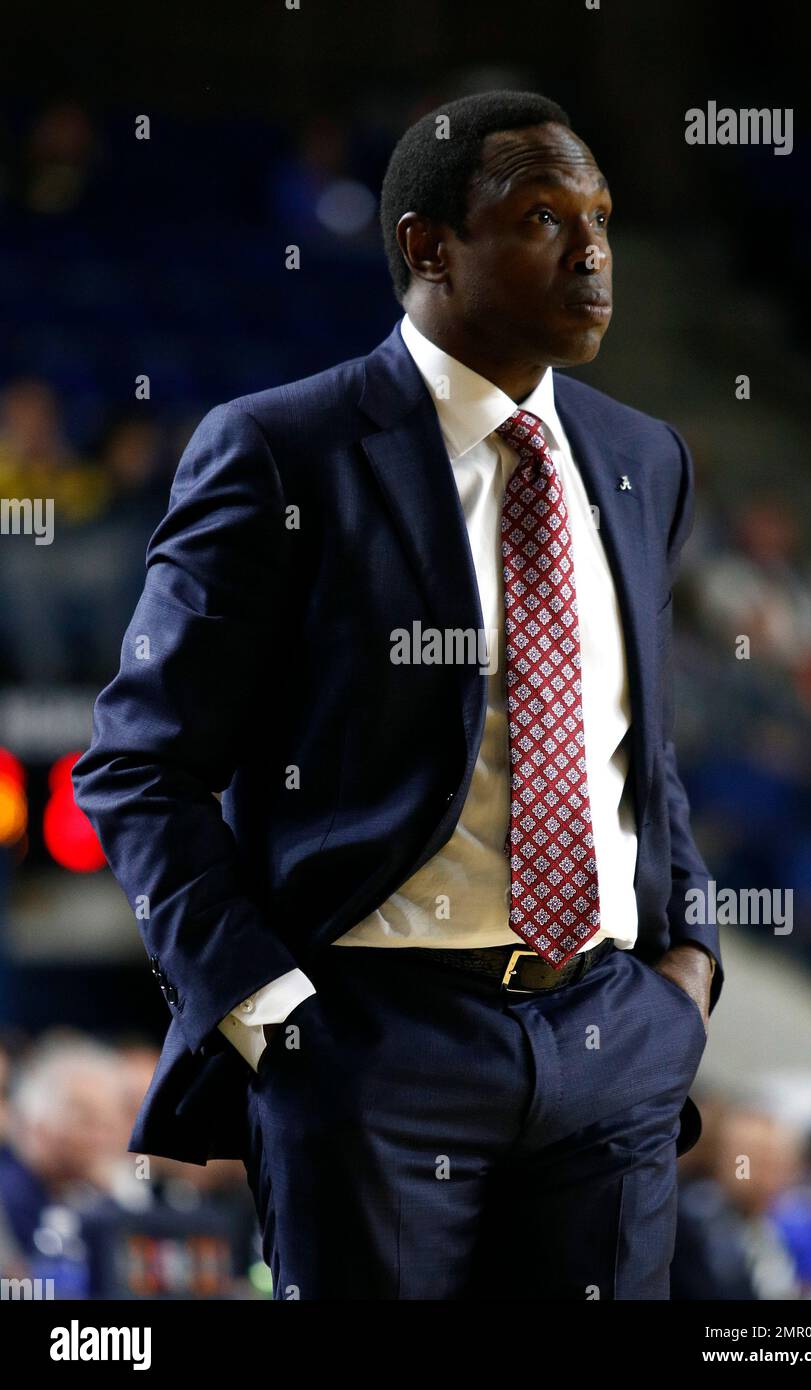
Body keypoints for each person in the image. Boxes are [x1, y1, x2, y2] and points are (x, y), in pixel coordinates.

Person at [72, 89, 723, 1301]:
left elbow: (636, 743)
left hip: (611, 1040)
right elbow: (134, 765)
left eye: (600, 218)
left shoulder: (644, 458)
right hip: (373, 1045)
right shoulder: (281, 449)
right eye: (542, 216)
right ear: (428, 247)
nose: (591, 253)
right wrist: (271, 1014)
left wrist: (684, 966)